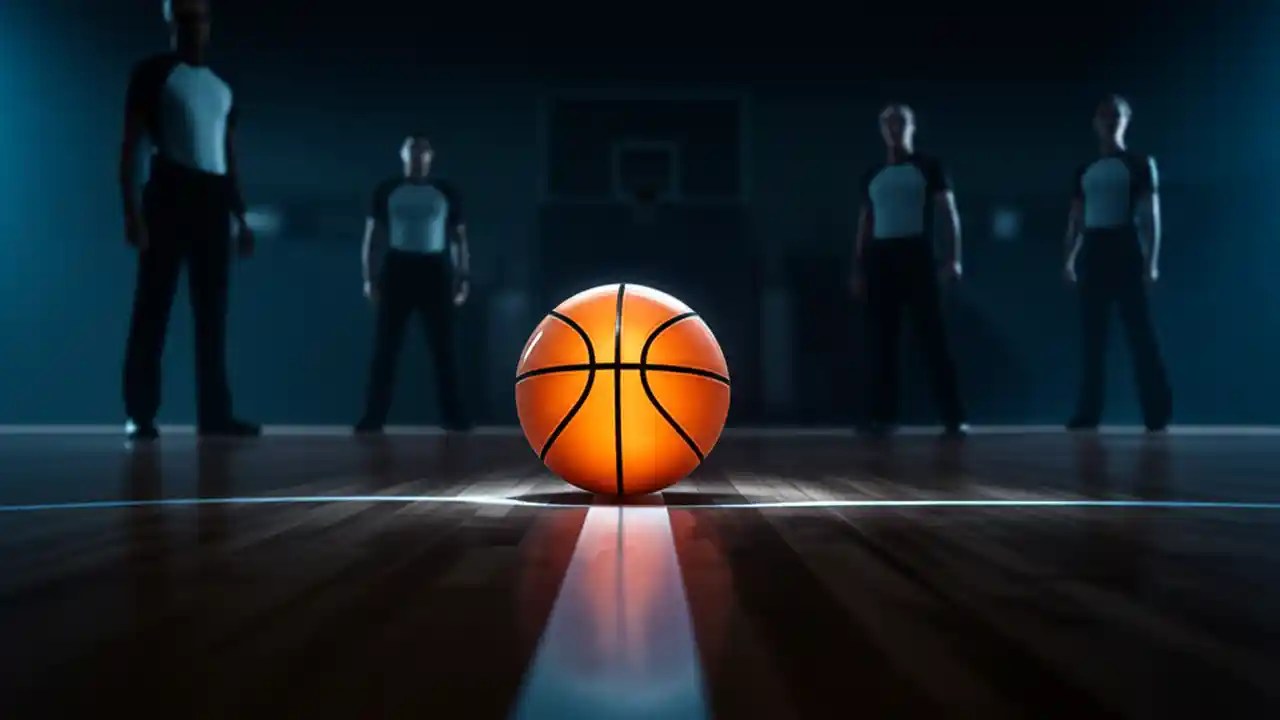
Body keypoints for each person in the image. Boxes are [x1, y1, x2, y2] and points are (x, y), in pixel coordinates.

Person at [120, 0, 259, 441]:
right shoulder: (152, 73)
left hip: (213, 199)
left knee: (212, 313)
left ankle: (215, 415)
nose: (191, 26)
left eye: (197, 16)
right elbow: (130, 145)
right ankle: (140, 414)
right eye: (182, 17)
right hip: (169, 191)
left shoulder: (223, 84)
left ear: (209, 23)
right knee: (153, 307)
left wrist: (241, 214)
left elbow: (228, 152)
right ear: (169, 22)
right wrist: (132, 213)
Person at [851, 104, 967, 438]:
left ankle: (953, 416)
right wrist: (858, 269)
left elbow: (949, 214)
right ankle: (882, 417)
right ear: (882, 130)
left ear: (911, 127)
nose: (894, 129)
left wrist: (954, 257)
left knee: (933, 337)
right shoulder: (873, 175)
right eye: (888, 123)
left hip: (917, 253)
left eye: (900, 122)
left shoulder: (930, 167)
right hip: (880, 258)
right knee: (881, 340)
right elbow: (865, 224)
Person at [1063, 95, 1172, 432]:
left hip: (1124, 246)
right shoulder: (1085, 170)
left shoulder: (1140, 164)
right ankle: (1088, 413)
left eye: (1117, 116)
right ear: (1096, 122)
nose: (1110, 121)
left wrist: (1150, 262)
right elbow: (1076, 219)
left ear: (1126, 120)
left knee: (1140, 334)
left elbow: (1151, 216)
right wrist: (1068, 258)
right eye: (1105, 116)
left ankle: (1156, 413)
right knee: (1093, 338)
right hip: (1095, 250)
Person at [354, 134, 472, 434]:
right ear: (403, 154)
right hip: (398, 268)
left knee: (443, 348)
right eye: (412, 150)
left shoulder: (444, 191)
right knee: (386, 348)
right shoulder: (388, 190)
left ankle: (454, 418)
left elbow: (459, 238)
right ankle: (373, 418)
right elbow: (373, 237)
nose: (418, 155)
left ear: (430, 155)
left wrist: (462, 276)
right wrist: (369, 278)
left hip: (435, 268)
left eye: (422, 150)